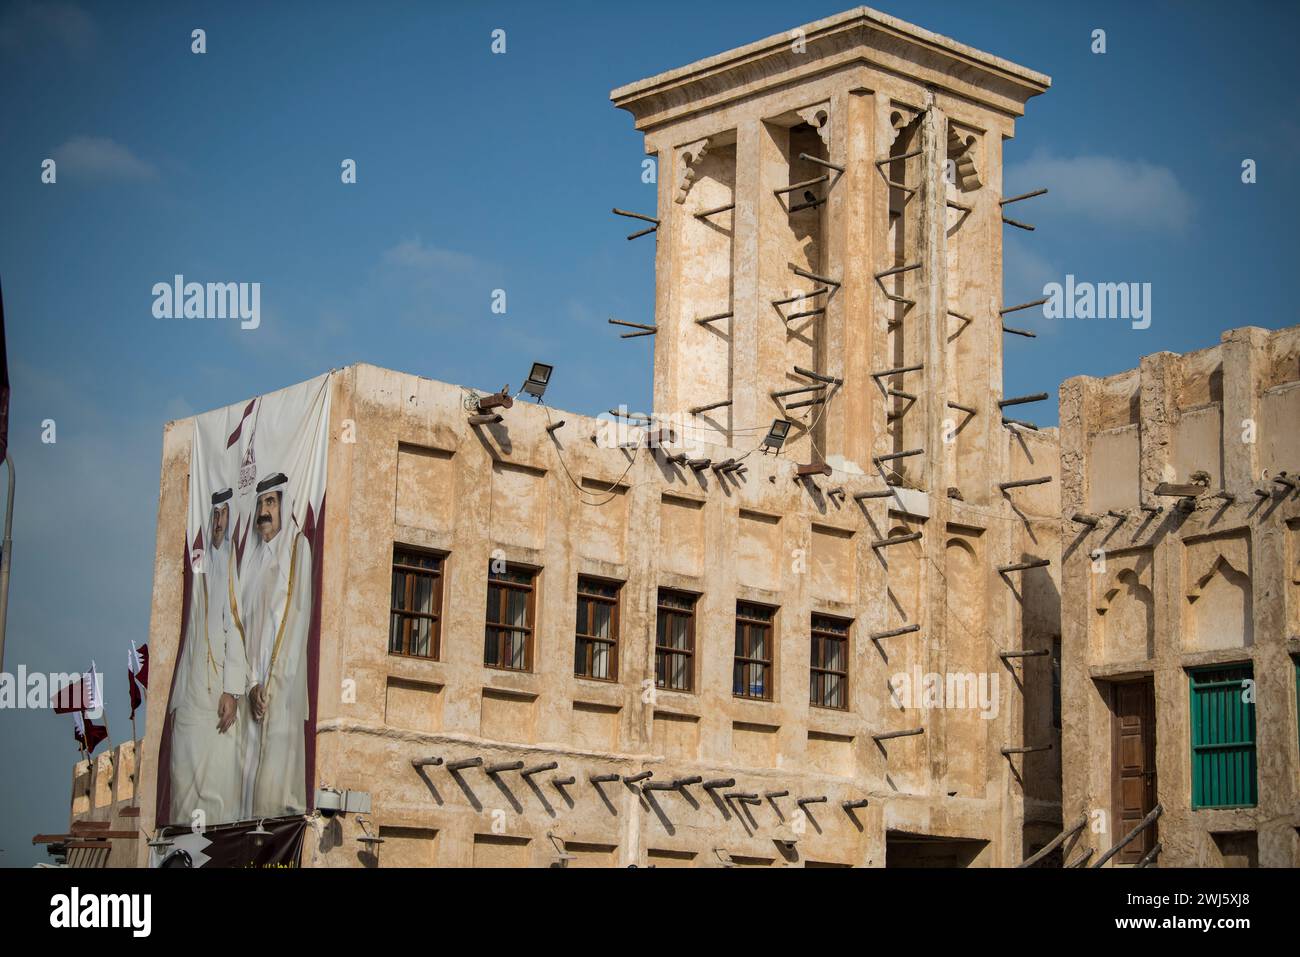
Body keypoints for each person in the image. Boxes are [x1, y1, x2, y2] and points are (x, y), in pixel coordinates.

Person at [236, 472, 313, 818]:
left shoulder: (297, 549)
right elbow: (240, 629)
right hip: (249, 685)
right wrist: (251, 682)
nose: (264, 511)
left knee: (273, 786)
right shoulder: (251, 561)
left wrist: (274, 684)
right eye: (261, 504)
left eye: (271, 502)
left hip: (280, 687)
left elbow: (297, 621)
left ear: (283, 504)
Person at [169, 488, 243, 824]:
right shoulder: (198, 561)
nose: (218, 523)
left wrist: (232, 688)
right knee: (183, 762)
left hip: (217, 684)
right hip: (191, 682)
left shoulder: (231, 562)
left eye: (224, 515)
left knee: (217, 768)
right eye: (214, 515)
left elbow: (236, 627)